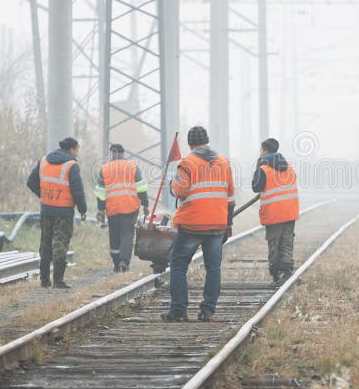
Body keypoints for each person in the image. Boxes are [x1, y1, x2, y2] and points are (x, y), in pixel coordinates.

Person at [161, 126, 235, 322]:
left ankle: (178, 311)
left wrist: (172, 184)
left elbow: (180, 192)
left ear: (190, 144)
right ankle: (208, 311)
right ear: (207, 140)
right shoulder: (224, 162)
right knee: (213, 268)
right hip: (217, 224)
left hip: (192, 224)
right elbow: (231, 199)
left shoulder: (187, 163)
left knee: (178, 265)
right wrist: (228, 224)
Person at [26, 137, 87, 289]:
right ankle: (58, 281)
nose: (77, 153)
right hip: (64, 212)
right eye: (76, 150)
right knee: (60, 243)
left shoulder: (44, 160)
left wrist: (44, 195)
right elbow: (78, 191)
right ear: (71, 149)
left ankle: (44, 280)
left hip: (46, 209)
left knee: (45, 243)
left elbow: (31, 181)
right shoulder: (71, 165)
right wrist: (83, 209)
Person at [95, 143, 150, 272]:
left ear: (112, 153)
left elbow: (100, 192)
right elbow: (141, 187)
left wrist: (101, 208)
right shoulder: (132, 167)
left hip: (112, 208)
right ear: (123, 153)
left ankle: (115, 263)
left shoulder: (104, 169)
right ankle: (124, 261)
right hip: (130, 207)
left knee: (114, 235)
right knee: (127, 234)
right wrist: (145, 204)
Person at [252, 138, 299, 284]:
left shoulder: (264, 170)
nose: (260, 152)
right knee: (287, 243)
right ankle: (286, 273)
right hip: (289, 213)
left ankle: (275, 275)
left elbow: (256, 187)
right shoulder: (289, 168)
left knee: (274, 244)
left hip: (274, 214)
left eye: (261, 150)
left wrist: (258, 167)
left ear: (265, 151)